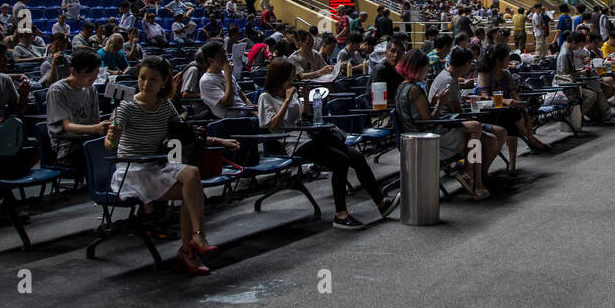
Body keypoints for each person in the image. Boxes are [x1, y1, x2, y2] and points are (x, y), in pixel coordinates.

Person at [107, 57, 239, 274]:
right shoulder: (126, 108)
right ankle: (191, 248)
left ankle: (195, 240)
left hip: (156, 166)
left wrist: (219, 141)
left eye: (153, 79)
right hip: (133, 169)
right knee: (192, 188)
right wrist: (111, 136)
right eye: (142, 78)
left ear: (163, 82)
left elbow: (185, 136)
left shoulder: (166, 106)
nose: (146, 84)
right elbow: (110, 146)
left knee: (192, 177)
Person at [257, 58, 399, 229]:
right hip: (293, 144)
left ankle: (381, 202)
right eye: (288, 78)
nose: (291, 81)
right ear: (278, 78)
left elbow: (305, 117)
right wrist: (287, 101)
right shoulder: (266, 98)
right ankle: (341, 214)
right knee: (340, 161)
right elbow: (273, 125)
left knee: (357, 156)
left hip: (309, 135)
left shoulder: (291, 93)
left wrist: (305, 99)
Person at [396, 48, 498, 200]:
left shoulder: (401, 88)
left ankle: (472, 177)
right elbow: (429, 122)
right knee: (476, 138)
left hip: (414, 135)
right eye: (425, 69)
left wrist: (433, 102)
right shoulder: (415, 90)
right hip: (427, 138)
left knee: (476, 132)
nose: (426, 72)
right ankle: (473, 179)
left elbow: (420, 113)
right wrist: (440, 104)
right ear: (417, 69)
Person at [46, 49, 109, 172]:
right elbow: (68, 128)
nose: (93, 78)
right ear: (73, 71)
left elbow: (96, 123)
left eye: (96, 73)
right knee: (106, 158)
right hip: (68, 148)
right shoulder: (58, 91)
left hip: (89, 141)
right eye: (88, 74)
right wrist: (96, 129)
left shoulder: (91, 90)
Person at [197, 40, 254, 119]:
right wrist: (228, 75)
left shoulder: (225, 73)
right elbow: (228, 102)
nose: (226, 57)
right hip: (231, 120)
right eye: (221, 54)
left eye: (225, 53)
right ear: (210, 60)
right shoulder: (206, 81)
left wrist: (254, 111)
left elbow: (242, 97)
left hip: (245, 112)